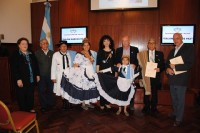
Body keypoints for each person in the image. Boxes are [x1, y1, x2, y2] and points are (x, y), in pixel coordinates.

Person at [61, 38, 99, 110]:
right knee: (84, 88)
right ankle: (83, 103)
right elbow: (75, 64)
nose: (86, 47)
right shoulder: (79, 54)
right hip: (83, 74)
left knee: (89, 88)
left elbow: (92, 62)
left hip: (90, 72)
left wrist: (90, 59)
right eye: (85, 45)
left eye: (87, 45)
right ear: (83, 46)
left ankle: (88, 103)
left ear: (89, 46)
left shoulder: (90, 53)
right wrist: (74, 71)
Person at [166, 33, 195, 127]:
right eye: (174, 39)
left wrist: (176, 67)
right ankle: (175, 113)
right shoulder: (172, 51)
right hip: (172, 79)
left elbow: (190, 64)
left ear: (182, 38)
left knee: (180, 100)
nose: (175, 40)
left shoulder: (189, 47)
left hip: (181, 79)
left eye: (177, 38)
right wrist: (167, 69)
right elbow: (167, 63)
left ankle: (179, 118)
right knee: (174, 99)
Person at [11, 37, 40, 112]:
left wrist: (37, 74)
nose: (25, 45)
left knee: (30, 94)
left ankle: (30, 108)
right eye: (23, 44)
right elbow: (14, 68)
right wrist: (18, 79)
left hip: (31, 78)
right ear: (19, 45)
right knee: (21, 95)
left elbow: (36, 64)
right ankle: (23, 111)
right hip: (21, 80)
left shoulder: (31, 53)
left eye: (26, 43)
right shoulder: (15, 54)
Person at [137, 38, 165, 115]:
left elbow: (163, 65)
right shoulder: (143, 54)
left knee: (154, 93)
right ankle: (146, 107)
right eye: (150, 43)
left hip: (155, 77)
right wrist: (140, 78)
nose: (151, 44)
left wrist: (160, 69)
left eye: (153, 43)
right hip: (146, 77)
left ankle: (154, 108)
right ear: (147, 45)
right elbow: (140, 67)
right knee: (146, 93)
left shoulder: (160, 54)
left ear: (155, 45)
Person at [51, 41, 76, 111]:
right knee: (62, 90)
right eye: (62, 46)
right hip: (60, 76)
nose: (64, 47)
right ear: (59, 47)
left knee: (68, 89)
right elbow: (53, 66)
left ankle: (69, 103)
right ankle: (64, 104)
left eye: (65, 46)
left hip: (68, 76)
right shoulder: (55, 55)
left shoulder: (69, 54)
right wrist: (53, 77)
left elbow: (71, 65)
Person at [115, 35, 139, 110]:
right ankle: (121, 104)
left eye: (126, 40)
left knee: (131, 88)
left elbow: (138, 60)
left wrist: (135, 64)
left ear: (129, 41)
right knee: (121, 88)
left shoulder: (135, 49)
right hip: (122, 72)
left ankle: (131, 104)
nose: (124, 42)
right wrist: (117, 63)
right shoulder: (118, 50)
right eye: (123, 41)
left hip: (131, 72)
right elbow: (116, 60)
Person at [35, 38, 54, 112]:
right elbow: (35, 66)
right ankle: (43, 106)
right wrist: (37, 75)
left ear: (48, 44)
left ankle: (50, 104)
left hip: (50, 76)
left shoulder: (52, 53)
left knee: (50, 90)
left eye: (46, 43)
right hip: (41, 76)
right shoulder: (36, 53)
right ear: (40, 45)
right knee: (41, 91)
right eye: (43, 43)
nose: (45, 45)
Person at [96, 35, 115, 111]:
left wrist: (112, 57)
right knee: (102, 88)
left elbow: (114, 62)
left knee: (109, 88)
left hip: (110, 73)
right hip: (102, 73)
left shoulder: (113, 50)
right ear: (102, 43)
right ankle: (102, 103)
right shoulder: (100, 51)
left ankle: (107, 103)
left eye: (108, 40)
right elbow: (98, 63)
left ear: (110, 42)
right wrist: (97, 72)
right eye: (104, 41)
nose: (106, 42)